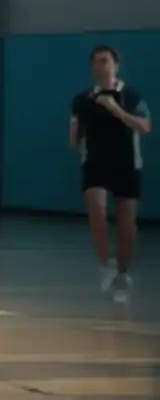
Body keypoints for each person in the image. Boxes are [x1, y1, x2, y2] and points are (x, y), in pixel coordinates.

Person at [70, 45, 150, 303]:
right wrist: (75, 136)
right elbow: (74, 135)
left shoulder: (131, 95)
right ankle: (105, 264)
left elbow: (144, 126)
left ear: (116, 65)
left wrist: (116, 110)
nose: (100, 66)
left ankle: (123, 272)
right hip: (95, 163)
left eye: (105, 61)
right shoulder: (82, 99)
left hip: (127, 163)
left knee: (126, 223)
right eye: (95, 62)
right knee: (97, 210)